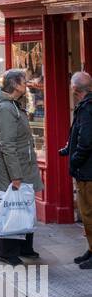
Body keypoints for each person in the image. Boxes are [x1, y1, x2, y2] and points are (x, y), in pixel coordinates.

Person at [0, 69, 43, 264]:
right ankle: (7, 253)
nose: (27, 83)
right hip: (10, 168)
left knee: (25, 205)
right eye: (24, 81)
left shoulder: (13, 104)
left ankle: (25, 247)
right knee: (10, 207)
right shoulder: (5, 109)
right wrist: (16, 175)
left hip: (22, 163)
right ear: (15, 85)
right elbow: (7, 145)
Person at [61, 70, 92, 269]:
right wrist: (68, 149)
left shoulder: (87, 108)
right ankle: (90, 249)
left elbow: (86, 140)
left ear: (75, 89)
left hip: (88, 172)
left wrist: (74, 159)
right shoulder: (86, 106)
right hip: (87, 169)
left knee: (88, 213)